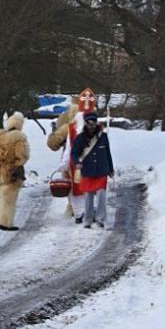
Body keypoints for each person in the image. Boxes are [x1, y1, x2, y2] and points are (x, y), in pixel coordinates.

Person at [47, 87, 97, 222]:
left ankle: (77, 210)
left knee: (74, 185)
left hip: (72, 159)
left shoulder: (68, 122)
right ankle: (83, 210)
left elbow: (52, 144)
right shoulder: (89, 122)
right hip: (83, 159)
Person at [71, 110, 114, 228]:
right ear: (85, 123)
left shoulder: (103, 136)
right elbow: (74, 153)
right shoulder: (80, 138)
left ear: (96, 123)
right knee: (88, 197)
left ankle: (101, 218)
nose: (91, 125)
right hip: (88, 170)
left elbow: (107, 153)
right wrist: (77, 163)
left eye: (93, 122)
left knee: (101, 196)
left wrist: (110, 169)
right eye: (89, 123)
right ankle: (88, 219)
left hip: (101, 170)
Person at [0, 111, 30, 231]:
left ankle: (3, 221)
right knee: (10, 199)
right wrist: (16, 164)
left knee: (4, 197)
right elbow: (22, 155)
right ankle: (6, 223)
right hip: (12, 172)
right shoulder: (19, 138)